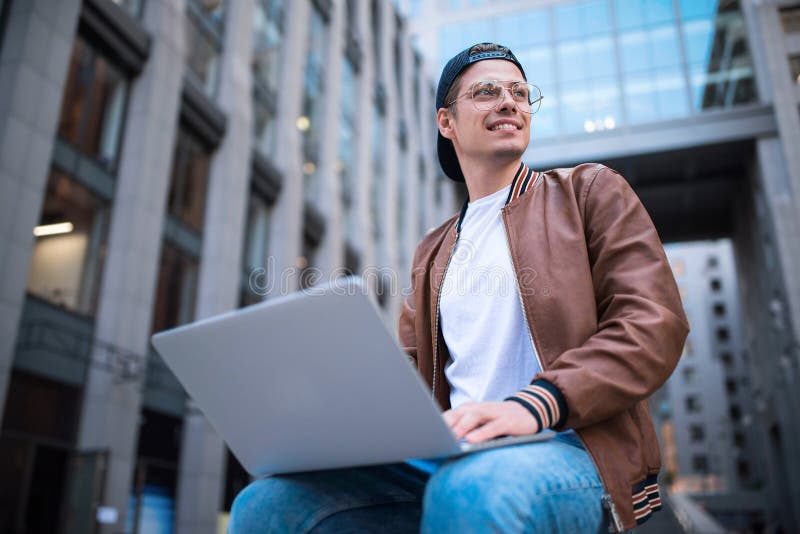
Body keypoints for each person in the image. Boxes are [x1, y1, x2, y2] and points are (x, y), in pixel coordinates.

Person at [229, 42, 689, 533]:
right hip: (455, 453)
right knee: (267, 504)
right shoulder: (434, 249)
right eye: (486, 92)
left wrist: (535, 405)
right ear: (446, 123)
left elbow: (652, 324)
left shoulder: (589, 191)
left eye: (519, 92)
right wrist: (331, 422)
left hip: (574, 445)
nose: (509, 102)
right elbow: (408, 372)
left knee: (472, 488)